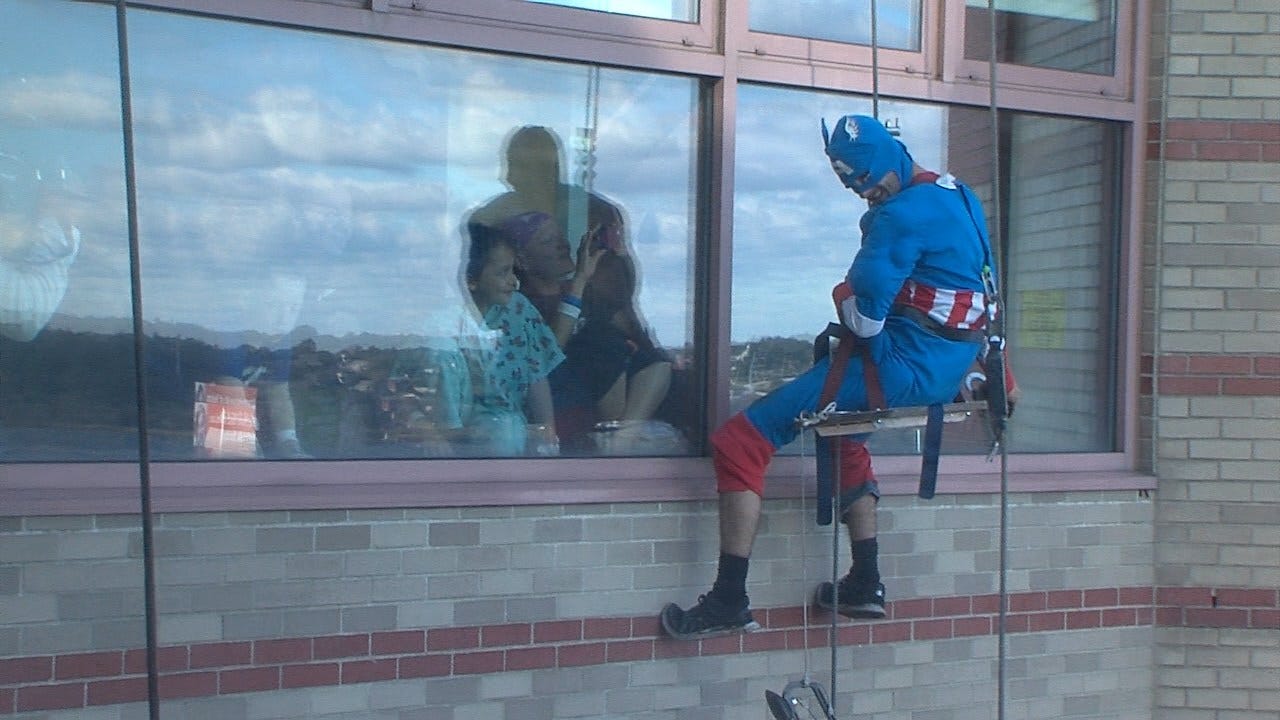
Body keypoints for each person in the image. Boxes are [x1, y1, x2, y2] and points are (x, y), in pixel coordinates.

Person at [661, 114, 1011, 639]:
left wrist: (841, 292)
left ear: (891, 157)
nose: (867, 193)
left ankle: (729, 599)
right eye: (855, 186)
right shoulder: (958, 194)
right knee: (847, 439)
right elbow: (977, 291)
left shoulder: (896, 216)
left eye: (869, 182)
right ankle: (864, 583)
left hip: (899, 366)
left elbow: (865, 323)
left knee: (738, 443)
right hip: (950, 365)